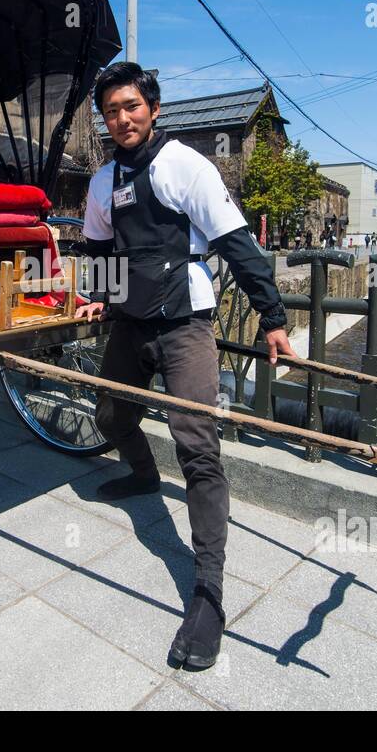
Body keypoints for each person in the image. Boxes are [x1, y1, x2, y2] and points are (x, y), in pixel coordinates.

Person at [73, 62, 295, 672]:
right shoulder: (101, 182)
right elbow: (95, 247)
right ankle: (143, 476)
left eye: (131, 107)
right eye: (111, 111)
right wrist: (97, 290)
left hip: (186, 323)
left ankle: (208, 591)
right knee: (112, 413)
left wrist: (272, 318)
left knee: (197, 446)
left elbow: (236, 244)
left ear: (154, 108)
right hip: (129, 319)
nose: (122, 119)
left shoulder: (187, 166)